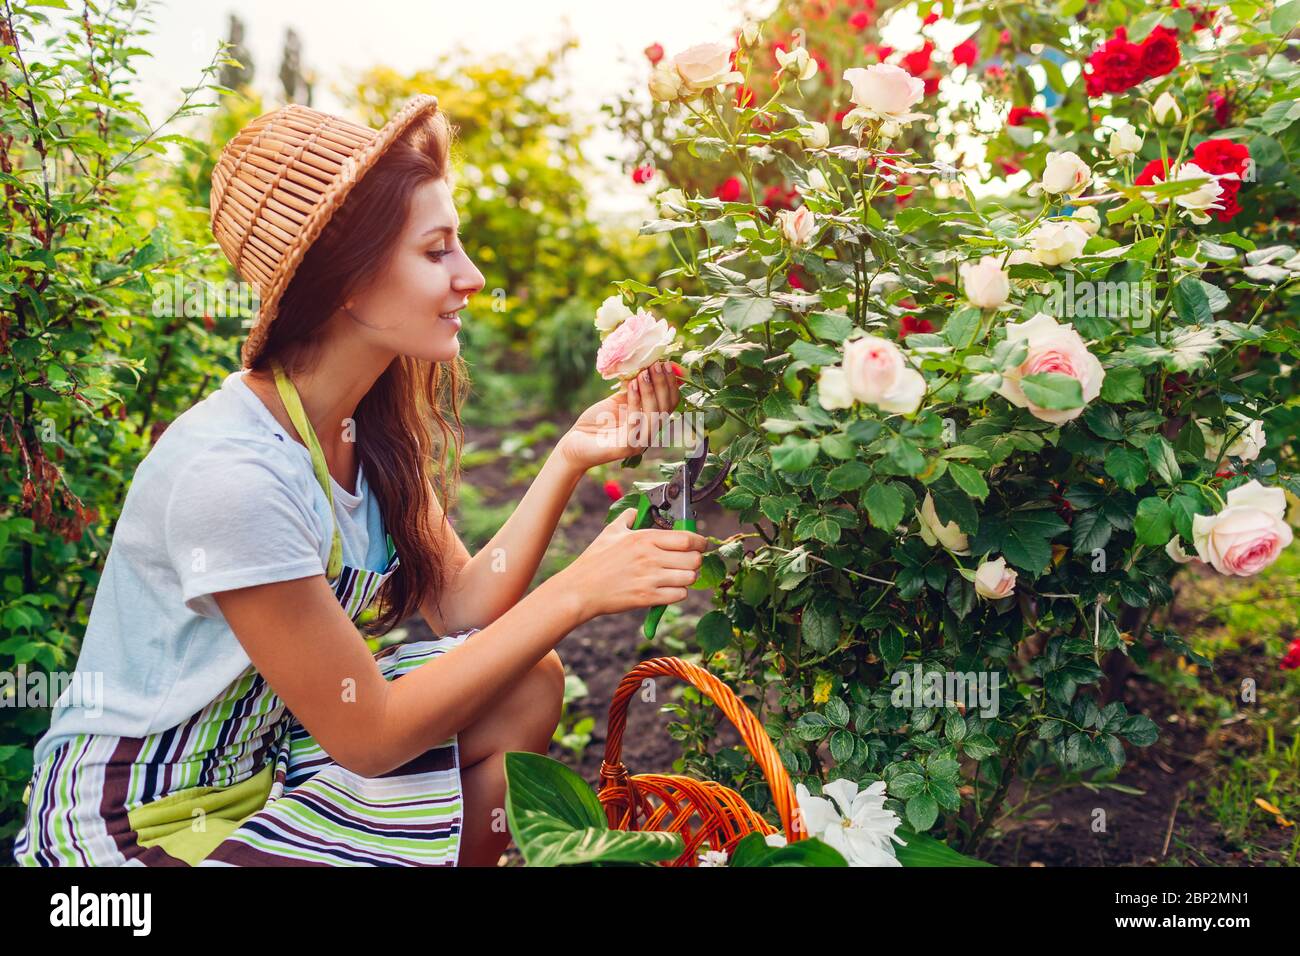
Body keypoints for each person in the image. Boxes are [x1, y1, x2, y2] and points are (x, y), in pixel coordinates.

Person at [15, 95, 705, 867]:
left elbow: (459, 605)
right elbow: (370, 734)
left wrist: (569, 456)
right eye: (436, 250)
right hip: (135, 824)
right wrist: (577, 590)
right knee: (492, 677)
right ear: (346, 280)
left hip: (262, 762)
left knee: (526, 684)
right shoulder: (233, 475)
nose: (470, 277)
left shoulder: (356, 425)